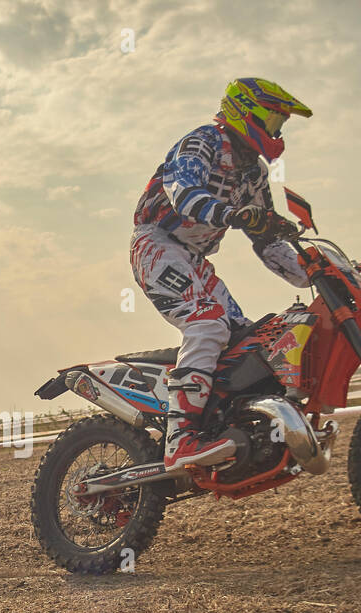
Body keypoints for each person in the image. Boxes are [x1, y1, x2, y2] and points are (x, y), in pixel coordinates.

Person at [131, 77, 314, 471]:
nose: (276, 131)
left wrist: (312, 274)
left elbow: (265, 242)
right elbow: (184, 194)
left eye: (280, 124)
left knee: (243, 339)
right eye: (273, 120)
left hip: (193, 257)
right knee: (207, 325)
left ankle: (225, 428)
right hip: (156, 243)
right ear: (246, 111)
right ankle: (181, 442)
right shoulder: (202, 143)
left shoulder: (255, 175)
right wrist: (231, 213)